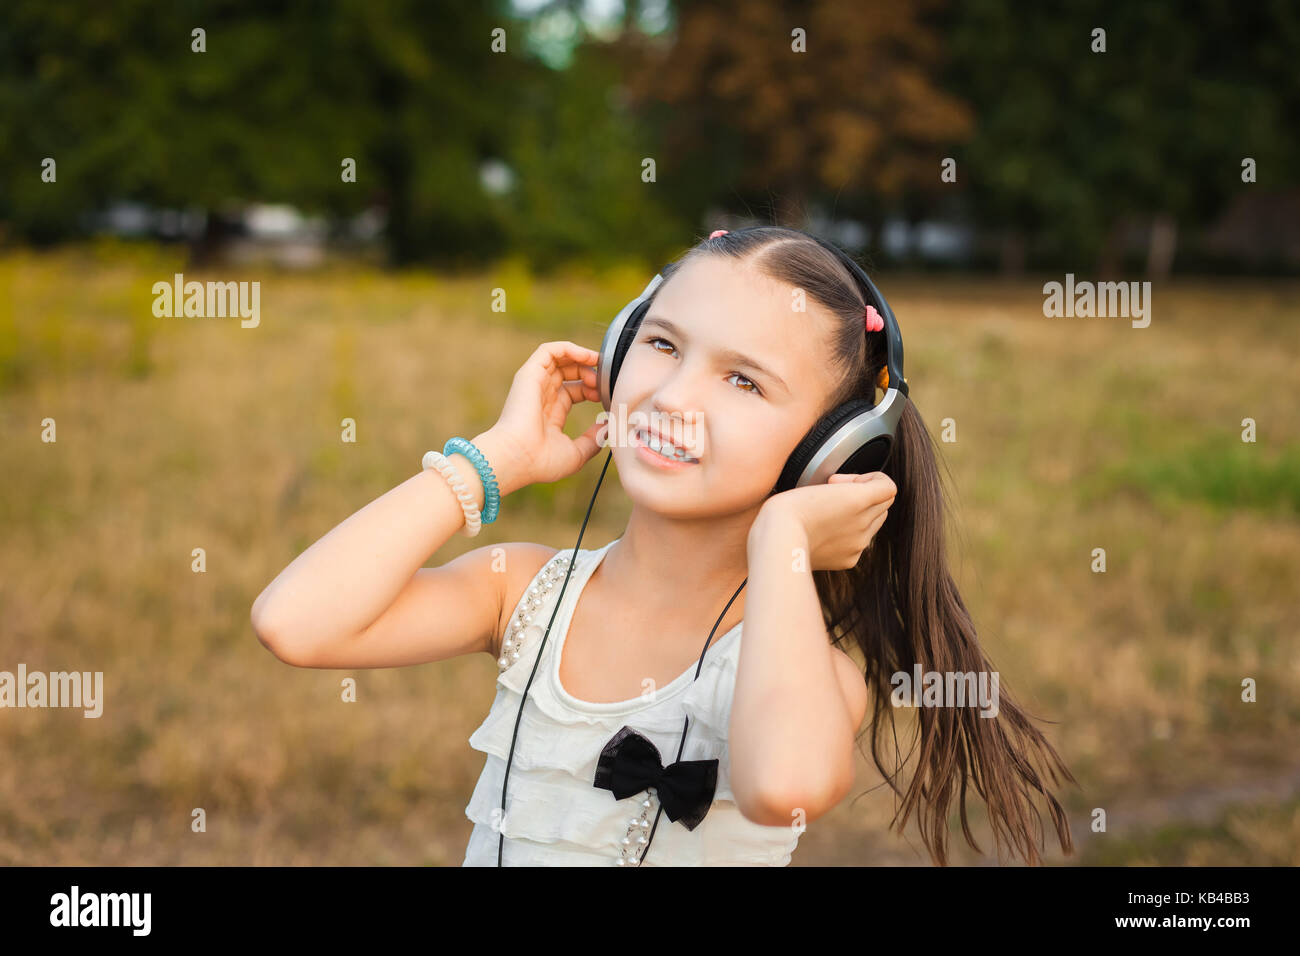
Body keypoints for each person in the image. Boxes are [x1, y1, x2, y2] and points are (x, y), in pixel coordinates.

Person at [250, 225, 1076, 866]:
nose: (674, 395)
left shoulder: (797, 664)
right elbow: (298, 623)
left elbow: (782, 782)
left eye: (743, 380)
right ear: (617, 352)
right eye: (663, 344)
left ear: (832, 450)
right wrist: (491, 462)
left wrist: (784, 538)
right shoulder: (528, 593)